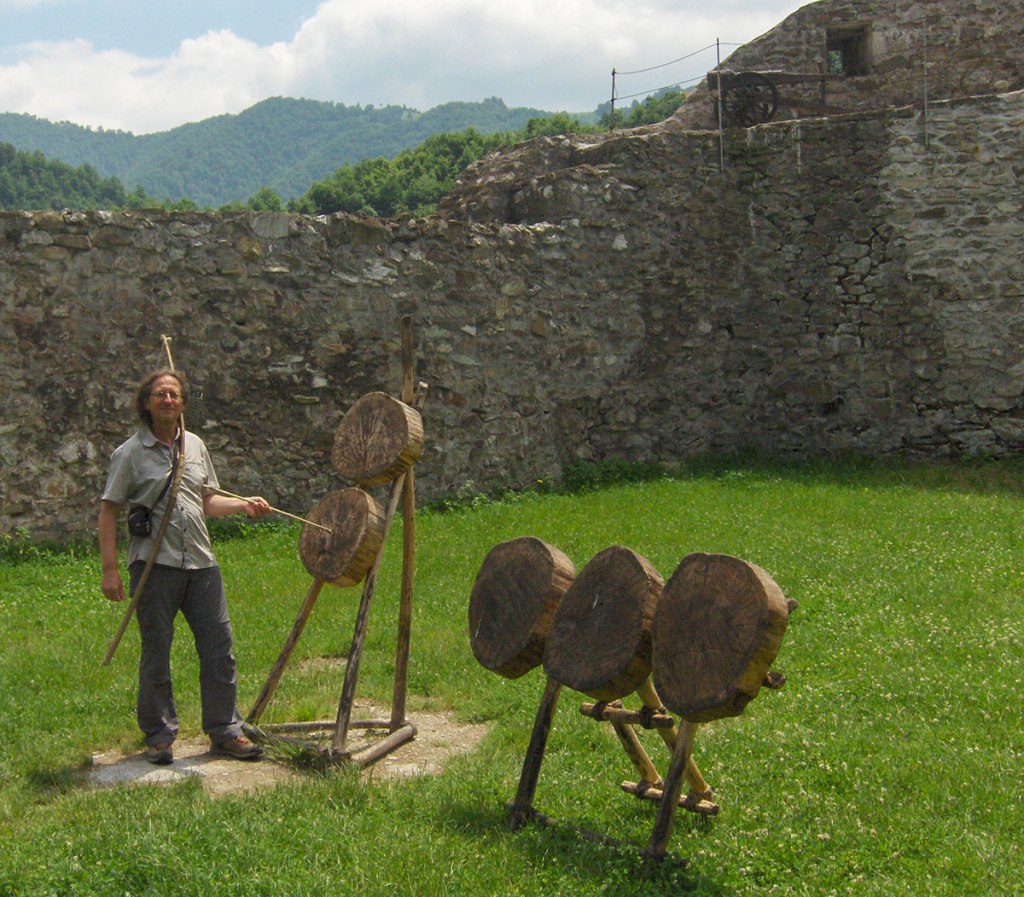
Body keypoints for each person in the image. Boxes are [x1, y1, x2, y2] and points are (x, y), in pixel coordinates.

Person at [98, 368, 272, 765]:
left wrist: (244, 504)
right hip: (153, 566)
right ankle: (159, 735)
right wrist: (110, 569)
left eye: (174, 394)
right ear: (147, 402)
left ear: (183, 404)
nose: (168, 400)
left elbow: (208, 501)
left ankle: (225, 730)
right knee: (156, 650)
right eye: (160, 394)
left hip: (201, 563)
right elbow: (109, 510)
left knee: (219, 648)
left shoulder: (194, 446)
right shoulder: (129, 454)